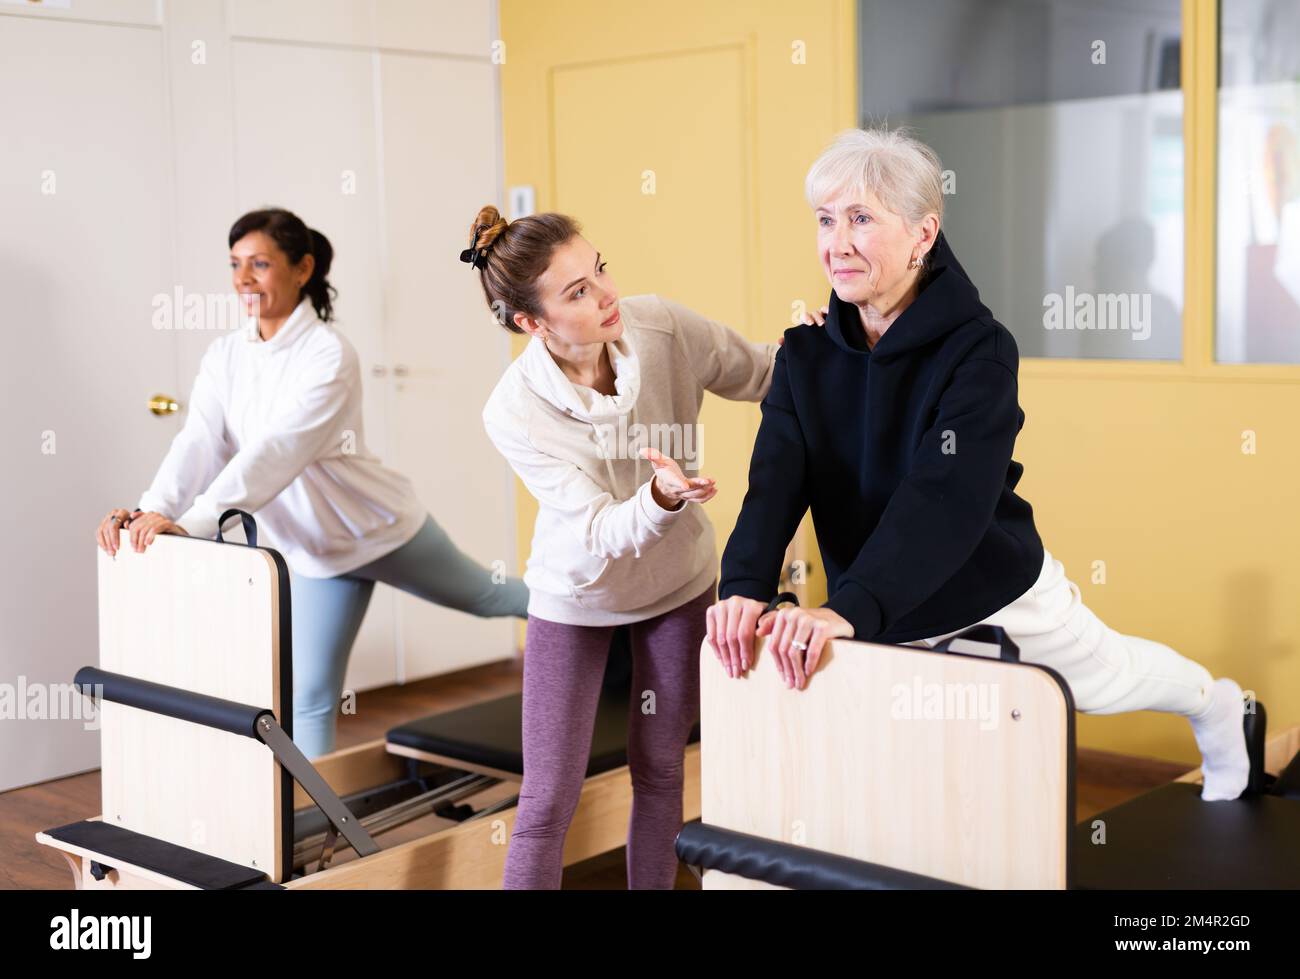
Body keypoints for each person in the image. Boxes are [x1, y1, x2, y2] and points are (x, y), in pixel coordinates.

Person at [707, 127, 1250, 802]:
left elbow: (945, 496)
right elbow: (775, 481)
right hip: (878, 606)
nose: (836, 243)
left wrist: (850, 606)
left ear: (923, 233)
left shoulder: (980, 351)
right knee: (898, 780)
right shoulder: (804, 353)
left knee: (1107, 679)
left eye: (861, 219)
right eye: (825, 219)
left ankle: (1216, 704)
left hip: (990, 588)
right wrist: (744, 584)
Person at [95, 207, 527, 758]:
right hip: (317, 554)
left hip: (382, 530)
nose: (243, 278)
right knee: (311, 697)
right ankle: (314, 811)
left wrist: (193, 523)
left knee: (490, 596)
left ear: (302, 269)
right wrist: (150, 510)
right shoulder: (225, 355)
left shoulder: (328, 353)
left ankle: (604, 620)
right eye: (234, 264)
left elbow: (276, 453)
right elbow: (198, 442)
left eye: (259, 264)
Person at [473, 204, 805, 886]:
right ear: (531, 323)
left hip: (677, 583)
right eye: (577, 292)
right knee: (546, 800)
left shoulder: (659, 327)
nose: (607, 294)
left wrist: (831, 343)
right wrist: (660, 498)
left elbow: (764, 372)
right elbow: (599, 530)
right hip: (577, 593)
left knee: (660, 770)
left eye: (600, 269)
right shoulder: (513, 410)